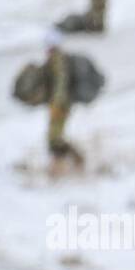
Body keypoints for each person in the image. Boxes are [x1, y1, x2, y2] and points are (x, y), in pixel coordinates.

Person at [41, 30, 85, 171]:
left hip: (61, 104)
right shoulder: (57, 58)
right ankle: (62, 164)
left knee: (54, 137)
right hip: (61, 103)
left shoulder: (57, 59)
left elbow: (61, 82)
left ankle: (76, 160)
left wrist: (57, 103)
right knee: (54, 136)